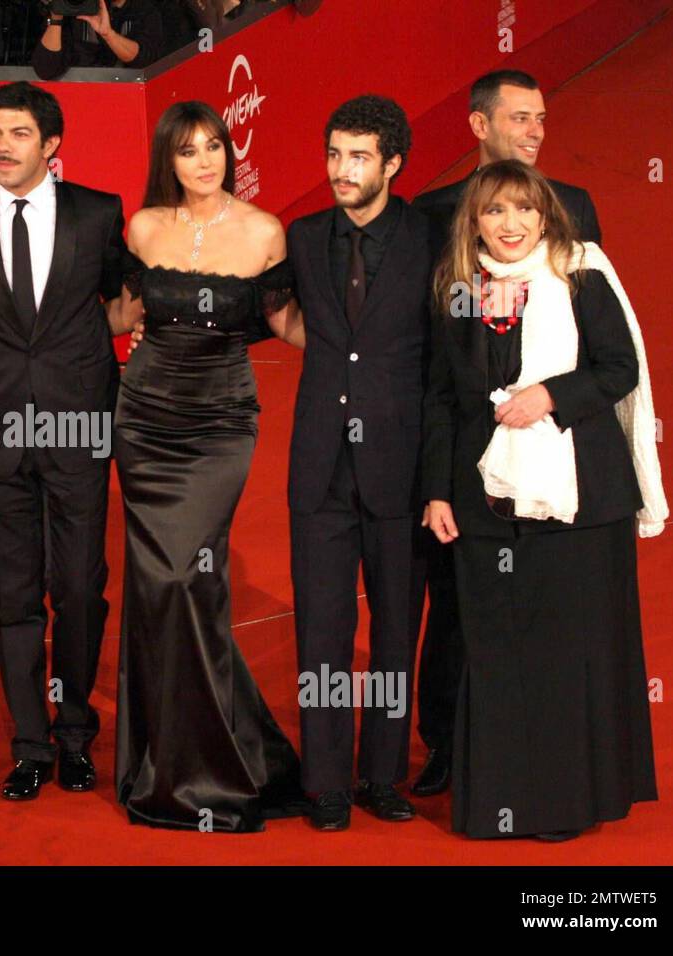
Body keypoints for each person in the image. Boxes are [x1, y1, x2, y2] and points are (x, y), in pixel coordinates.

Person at [422, 159, 665, 840]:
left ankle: (566, 806)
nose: (512, 224)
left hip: (579, 504)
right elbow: (440, 398)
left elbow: (620, 367)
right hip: (485, 503)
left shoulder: (579, 274)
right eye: (495, 210)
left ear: (545, 216)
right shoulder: (458, 291)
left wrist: (550, 396)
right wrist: (436, 492)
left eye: (525, 209)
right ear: (474, 222)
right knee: (498, 654)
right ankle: (501, 807)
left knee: (567, 654)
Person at [0, 81, 125, 801]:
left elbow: (126, 299)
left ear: (52, 144)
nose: (2, 147)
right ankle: (31, 746)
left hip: (77, 427)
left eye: (18, 134)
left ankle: (74, 733)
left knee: (79, 589)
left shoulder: (97, 213)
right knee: (13, 596)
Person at [109, 101, 307, 832]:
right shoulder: (143, 227)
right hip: (144, 417)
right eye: (189, 150)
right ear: (169, 158)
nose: (204, 161)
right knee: (166, 587)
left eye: (215, 147)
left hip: (220, 422)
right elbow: (123, 317)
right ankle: (182, 754)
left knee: (181, 576)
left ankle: (211, 760)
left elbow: (285, 322)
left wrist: (366, 341)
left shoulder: (263, 231)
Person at [410, 68, 603, 798]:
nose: (534, 132)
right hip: (466, 443)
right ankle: (446, 743)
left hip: (549, 446)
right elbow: (432, 346)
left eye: (541, 118)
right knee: (457, 599)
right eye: (520, 117)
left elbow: (594, 333)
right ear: (479, 125)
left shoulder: (573, 206)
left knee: (544, 600)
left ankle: (537, 752)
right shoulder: (433, 214)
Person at [284, 95, 431, 831]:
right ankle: (325, 783)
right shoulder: (303, 237)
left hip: (401, 468)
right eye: (335, 154)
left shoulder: (429, 240)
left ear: (392, 163)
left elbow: (447, 361)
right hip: (320, 465)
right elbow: (268, 310)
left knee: (396, 633)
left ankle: (382, 775)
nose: (342, 170)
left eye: (359, 157)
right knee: (322, 633)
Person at [32, 0, 163, 80]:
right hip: (80, 93)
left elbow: (145, 60)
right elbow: (45, 70)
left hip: (129, 96)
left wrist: (108, 34)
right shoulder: (74, 8)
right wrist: (56, 18)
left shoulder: (145, 10)